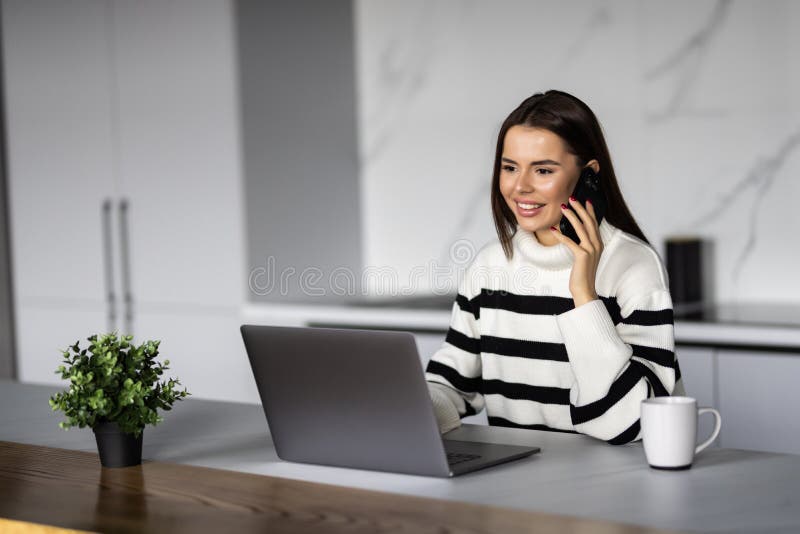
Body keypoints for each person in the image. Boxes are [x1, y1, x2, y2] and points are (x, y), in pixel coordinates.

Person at [425, 89, 685, 445]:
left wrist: (584, 296)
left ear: (588, 176)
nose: (520, 187)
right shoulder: (489, 265)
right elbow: (454, 383)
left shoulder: (633, 265)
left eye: (543, 170)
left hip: (616, 489)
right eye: (509, 167)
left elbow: (630, 424)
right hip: (516, 486)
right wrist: (408, 409)